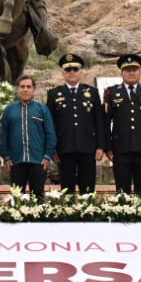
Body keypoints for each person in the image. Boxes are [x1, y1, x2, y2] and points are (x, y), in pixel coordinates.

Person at [46, 54, 105, 196]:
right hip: (64, 148)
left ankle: (89, 213)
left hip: (88, 147)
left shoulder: (92, 92)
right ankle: (68, 215)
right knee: (67, 188)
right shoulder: (54, 94)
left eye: (75, 69)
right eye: (68, 70)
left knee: (88, 188)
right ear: (63, 73)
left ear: (80, 72)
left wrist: (100, 146)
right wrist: (52, 149)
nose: (72, 72)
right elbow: (50, 124)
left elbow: (100, 121)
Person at [103, 54, 141, 199]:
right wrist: (108, 148)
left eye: (134, 69)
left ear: (140, 72)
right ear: (122, 72)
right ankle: (122, 218)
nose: (131, 73)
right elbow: (105, 122)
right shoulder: (111, 93)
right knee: (122, 193)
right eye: (127, 70)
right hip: (119, 150)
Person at [0, 74, 57, 197]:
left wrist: (47, 156)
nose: (25, 89)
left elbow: (50, 134)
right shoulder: (10, 110)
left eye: (28, 87)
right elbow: (4, 135)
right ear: (17, 89)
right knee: (17, 198)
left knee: (38, 198)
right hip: (16, 162)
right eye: (22, 86)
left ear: (33, 89)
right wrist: (6, 157)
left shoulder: (42, 109)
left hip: (38, 161)